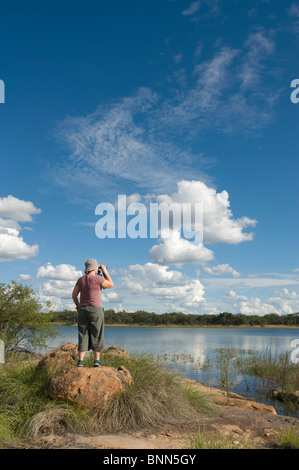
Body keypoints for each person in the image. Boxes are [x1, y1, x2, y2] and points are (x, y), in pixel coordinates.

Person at [72, 258, 113, 367]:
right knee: (97, 334)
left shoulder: (80, 280)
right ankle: (96, 361)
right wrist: (104, 271)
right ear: (95, 268)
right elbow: (110, 284)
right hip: (96, 309)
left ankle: (80, 361)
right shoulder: (98, 279)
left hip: (82, 309)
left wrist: (78, 306)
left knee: (83, 334)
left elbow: (74, 295)